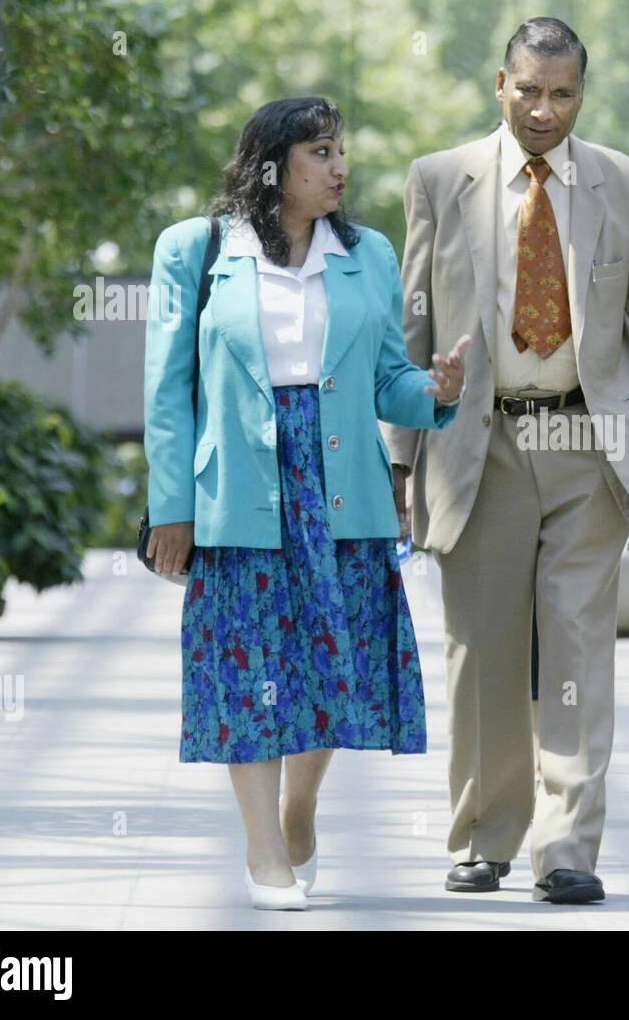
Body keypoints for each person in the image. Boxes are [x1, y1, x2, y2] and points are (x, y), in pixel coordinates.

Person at [143, 96, 468, 912]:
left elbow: (388, 377)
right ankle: (263, 849)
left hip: (342, 485)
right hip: (237, 492)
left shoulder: (368, 252)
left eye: (340, 150)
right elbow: (167, 393)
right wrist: (170, 506)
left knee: (333, 661)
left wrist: (435, 392)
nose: (340, 167)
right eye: (320, 151)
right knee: (244, 663)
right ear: (271, 164)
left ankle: (299, 807)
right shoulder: (196, 249)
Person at [384, 18, 629, 905]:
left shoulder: (626, 183)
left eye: (563, 94)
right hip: (481, 441)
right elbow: (415, 325)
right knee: (483, 647)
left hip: (586, 442)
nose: (544, 110)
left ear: (582, 94)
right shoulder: (440, 179)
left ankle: (568, 845)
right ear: (499, 83)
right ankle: (484, 834)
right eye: (529, 90)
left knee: (580, 643)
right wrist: (401, 461)